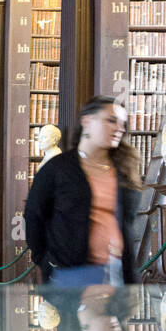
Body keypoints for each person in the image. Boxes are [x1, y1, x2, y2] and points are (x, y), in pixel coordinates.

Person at [25, 96, 142, 286]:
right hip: (70, 275)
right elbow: (33, 215)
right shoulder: (58, 169)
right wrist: (46, 263)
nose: (119, 128)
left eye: (123, 124)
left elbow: (126, 226)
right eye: (111, 120)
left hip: (117, 273)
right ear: (87, 122)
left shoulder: (124, 172)